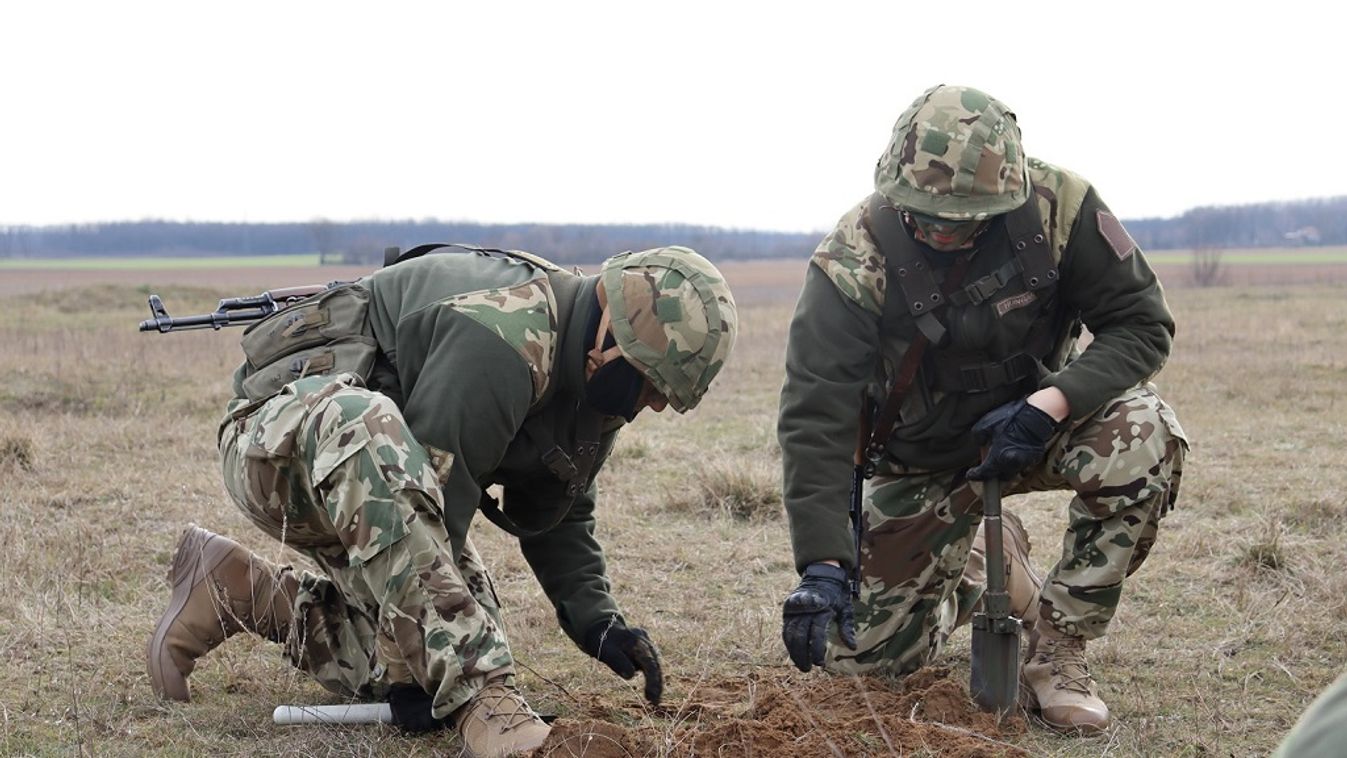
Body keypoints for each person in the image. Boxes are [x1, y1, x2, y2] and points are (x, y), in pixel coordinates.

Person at [146, 244, 738, 757]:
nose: (652, 404)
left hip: (379, 485)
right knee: (443, 634)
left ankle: (239, 592)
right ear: (610, 327)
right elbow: (430, 498)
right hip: (279, 444)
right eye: (649, 383)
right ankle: (484, 700)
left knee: (451, 636)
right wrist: (444, 673)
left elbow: (559, 507)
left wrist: (599, 623)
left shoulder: (595, 381)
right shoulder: (503, 335)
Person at [776, 84, 1187, 734]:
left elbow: (1141, 325)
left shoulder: (1062, 210)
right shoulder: (852, 261)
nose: (939, 229)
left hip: (1038, 427)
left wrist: (1049, 405)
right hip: (918, 462)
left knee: (1145, 433)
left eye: (962, 219)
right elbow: (814, 418)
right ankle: (982, 567)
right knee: (865, 666)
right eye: (921, 214)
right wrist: (822, 566)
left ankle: (1056, 651)